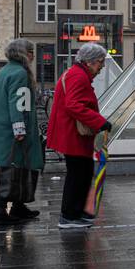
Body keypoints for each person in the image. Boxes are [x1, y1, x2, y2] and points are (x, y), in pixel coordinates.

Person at [48, 43, 113, 229]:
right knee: (78, 174)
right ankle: (69, 215)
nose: (102, 67)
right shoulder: (78, 76)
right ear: (90, 61)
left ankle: (76, 211)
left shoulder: (77, 73)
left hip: (73, 133)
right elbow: (73, 105)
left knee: (83, 172)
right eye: (100, 62)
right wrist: (99, 122)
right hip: (73, 134)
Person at [0, 39, 45, 229]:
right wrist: (19, 128)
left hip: (4, 130)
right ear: (23, 53)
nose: (33, 55)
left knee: (18, 167)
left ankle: (18, 207)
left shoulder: (5, 71)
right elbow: (17, 102)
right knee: (12, 168)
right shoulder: (20, 73)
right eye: (30, 51)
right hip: (14, 132)